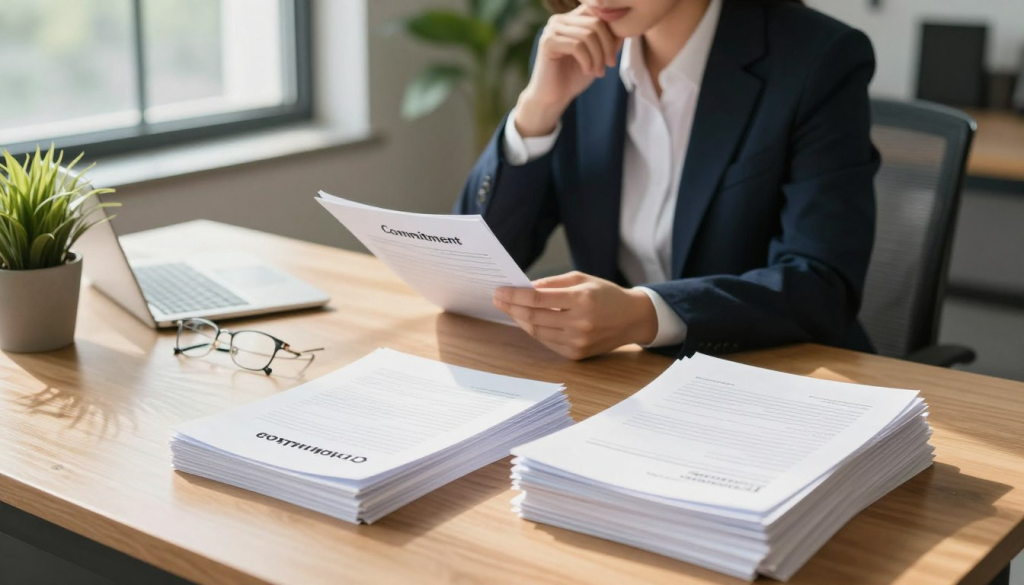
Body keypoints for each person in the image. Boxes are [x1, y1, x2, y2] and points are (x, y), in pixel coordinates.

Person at [454, 0, 879, 360]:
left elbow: (821, 285)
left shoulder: (818, 58)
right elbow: (477, 263)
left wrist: (646, 314)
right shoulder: (573, 52)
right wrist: (537, 111)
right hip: (628, 382)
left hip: (780, 376)